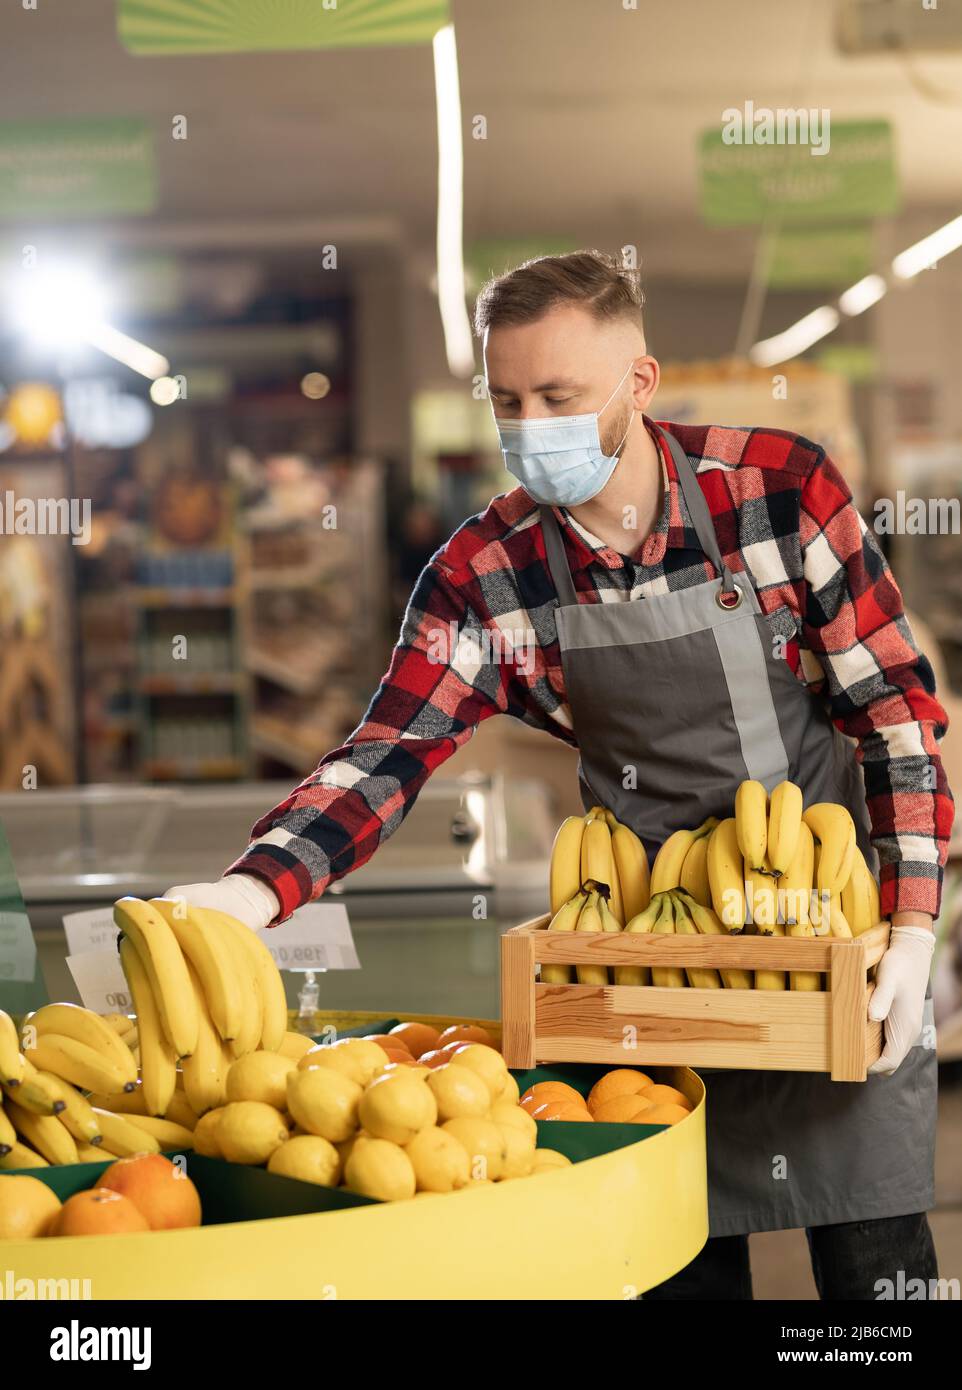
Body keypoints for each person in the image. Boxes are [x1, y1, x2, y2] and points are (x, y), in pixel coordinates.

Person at [169, 251, 952, 1300]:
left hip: (825, 950)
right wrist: (254, 885)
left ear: (639, 382)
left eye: (558, 396)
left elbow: (893, 711)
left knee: (876, 1304)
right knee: (672, 1268)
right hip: (634, 974)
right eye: (506, 400)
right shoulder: (483, 575)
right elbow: (388, 751)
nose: (528, 423)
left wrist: (906, 930)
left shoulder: (777, 490)